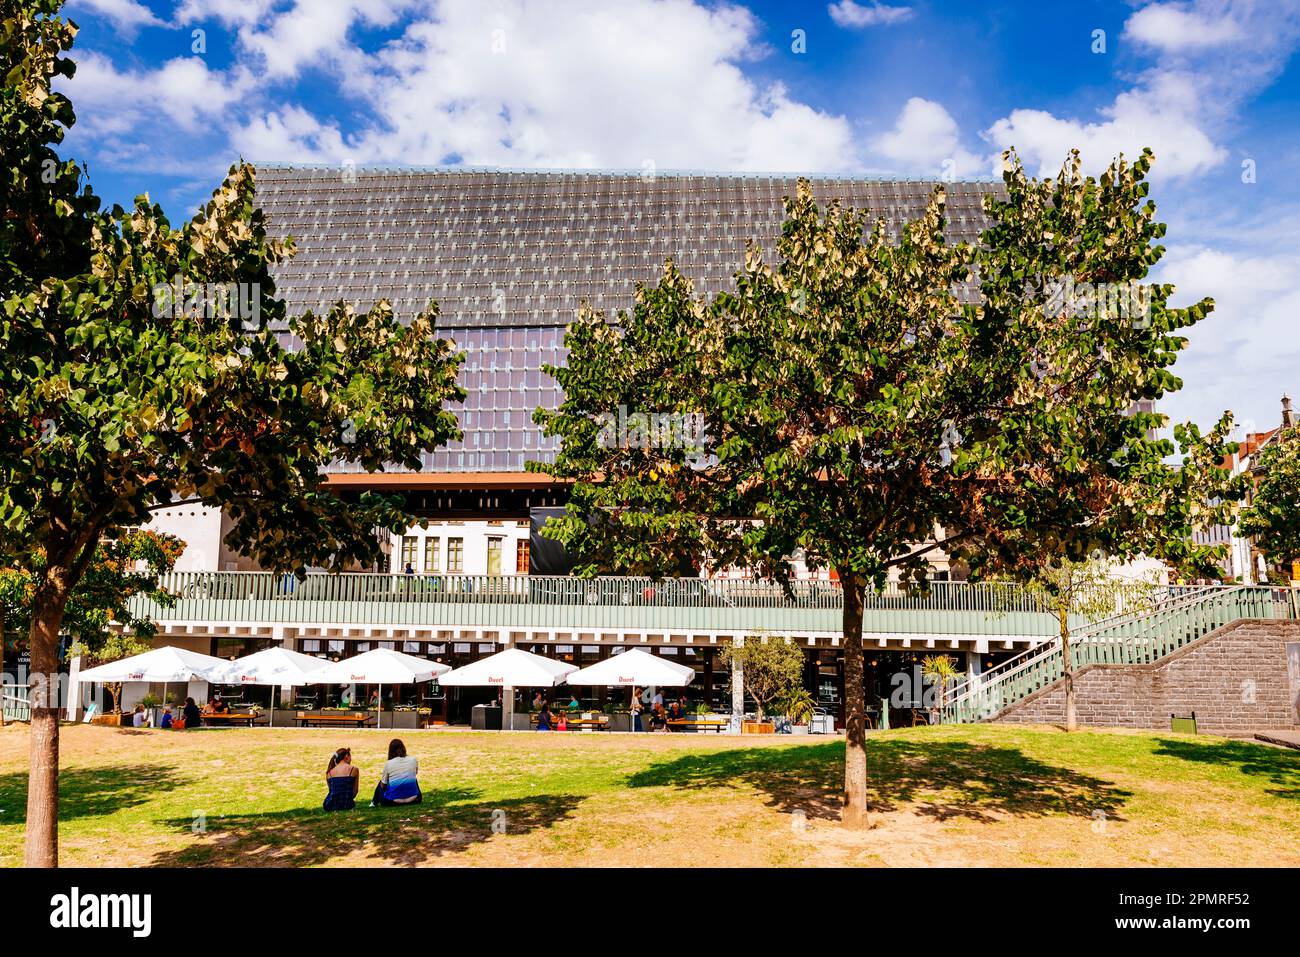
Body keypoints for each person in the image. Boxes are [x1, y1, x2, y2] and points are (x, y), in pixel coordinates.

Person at [372, 739, 421, 806]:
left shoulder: (388, 764)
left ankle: (374, 802)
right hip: (414, 799)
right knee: (413, 778)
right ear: (403, 748)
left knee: (382, 782)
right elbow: (415, 773)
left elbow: (383, 786)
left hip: (393, 802)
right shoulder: (413, 759)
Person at [323, 747, 360, 811]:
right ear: (346, 756)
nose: (351, 760)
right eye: (350, 757)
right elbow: (355, 792)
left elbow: (332, 791)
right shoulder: (354, 769)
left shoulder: (329, 772)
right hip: (347, 804)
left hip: (330, 805)